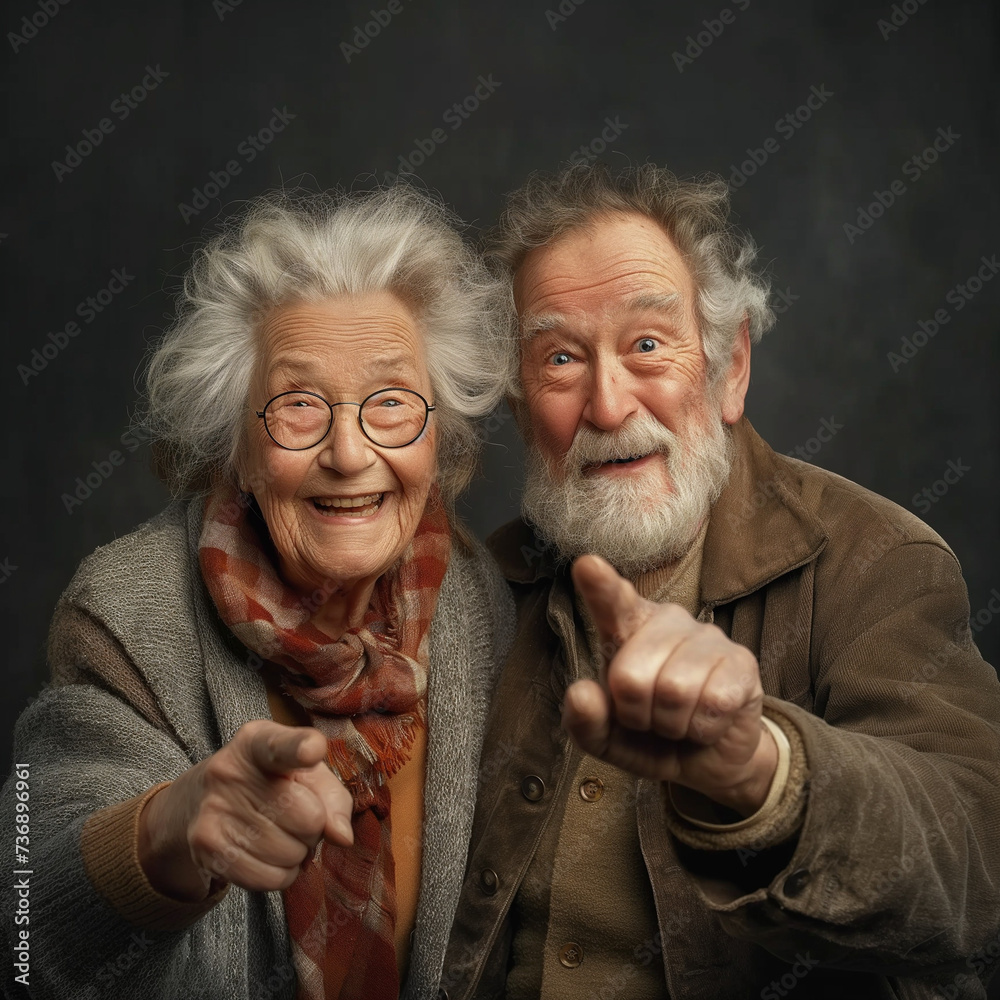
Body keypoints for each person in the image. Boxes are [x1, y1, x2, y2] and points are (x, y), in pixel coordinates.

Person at [441, 164, 1000, 999]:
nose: (608, 404)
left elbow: (977, 862)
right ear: (523, 410)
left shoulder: (880, 561)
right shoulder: (482, 590)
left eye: (647, 345)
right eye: (560, 358)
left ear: (730, 367)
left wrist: (761, 773)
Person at [1, 185, 515, 1000]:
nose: (349, 454)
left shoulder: (487, 604)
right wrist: (168, 832)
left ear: (438, 432)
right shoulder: (128, 612)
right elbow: (22, 921)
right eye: (298, 407)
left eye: (390, 404)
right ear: (235, 445)